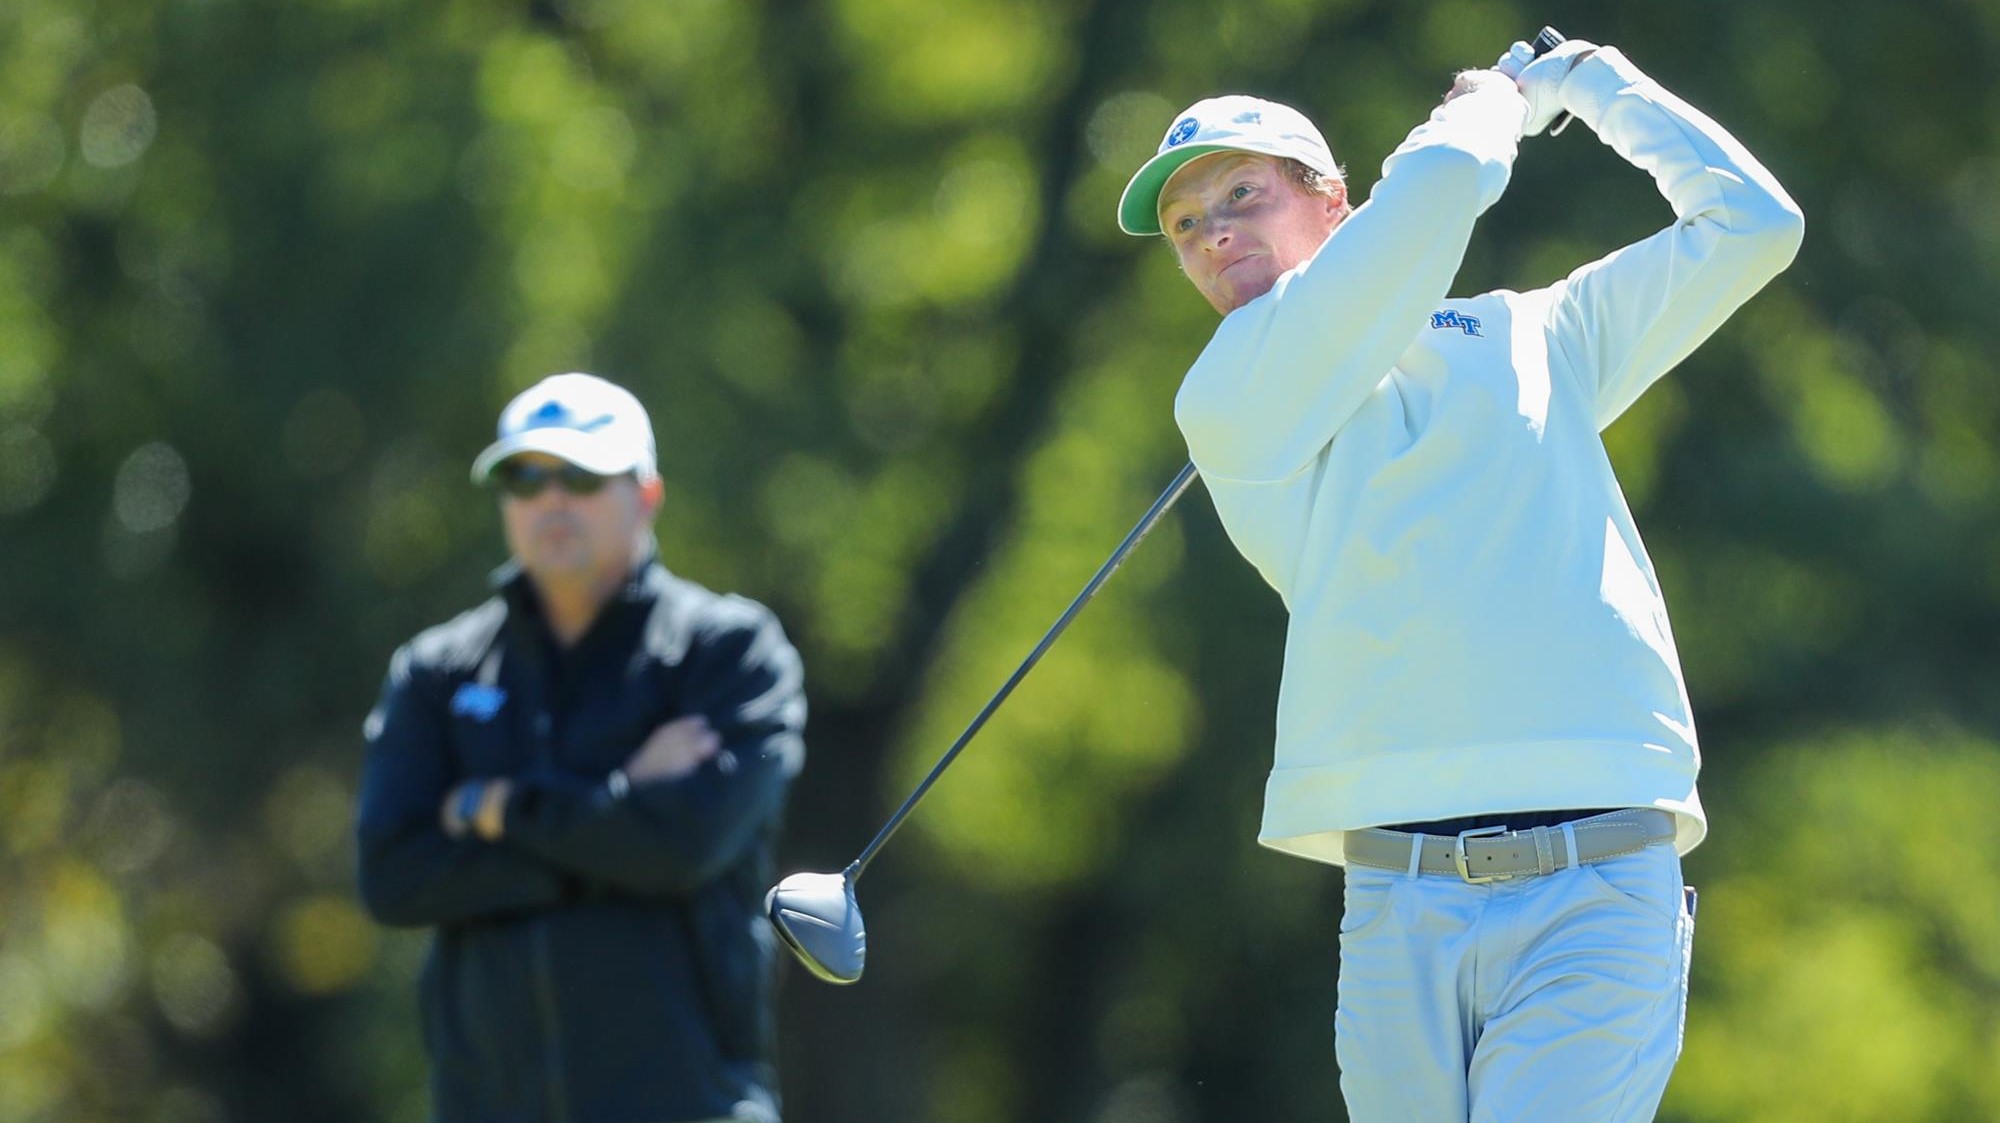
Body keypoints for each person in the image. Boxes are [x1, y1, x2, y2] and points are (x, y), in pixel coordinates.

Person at [1117, 38, 1802, 1121]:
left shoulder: (1529, 335)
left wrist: (1592, 87)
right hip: (1399, 905)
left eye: (1239, 194)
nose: (1213, 236)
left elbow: (1750, 227)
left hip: (1599, 879)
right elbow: (1432, 196)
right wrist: (1490, 106)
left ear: (1330, 200)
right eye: (1185, 228)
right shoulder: (1228, 398)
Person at [355, 372, 807, 1123]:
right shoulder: (438, 670)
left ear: (649, 495)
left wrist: (495, 806)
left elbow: (683, 845)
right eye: (525, 476)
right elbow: (395, 874)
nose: (552, 498)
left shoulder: (726, 653)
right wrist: (617, 797)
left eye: (583, 474)